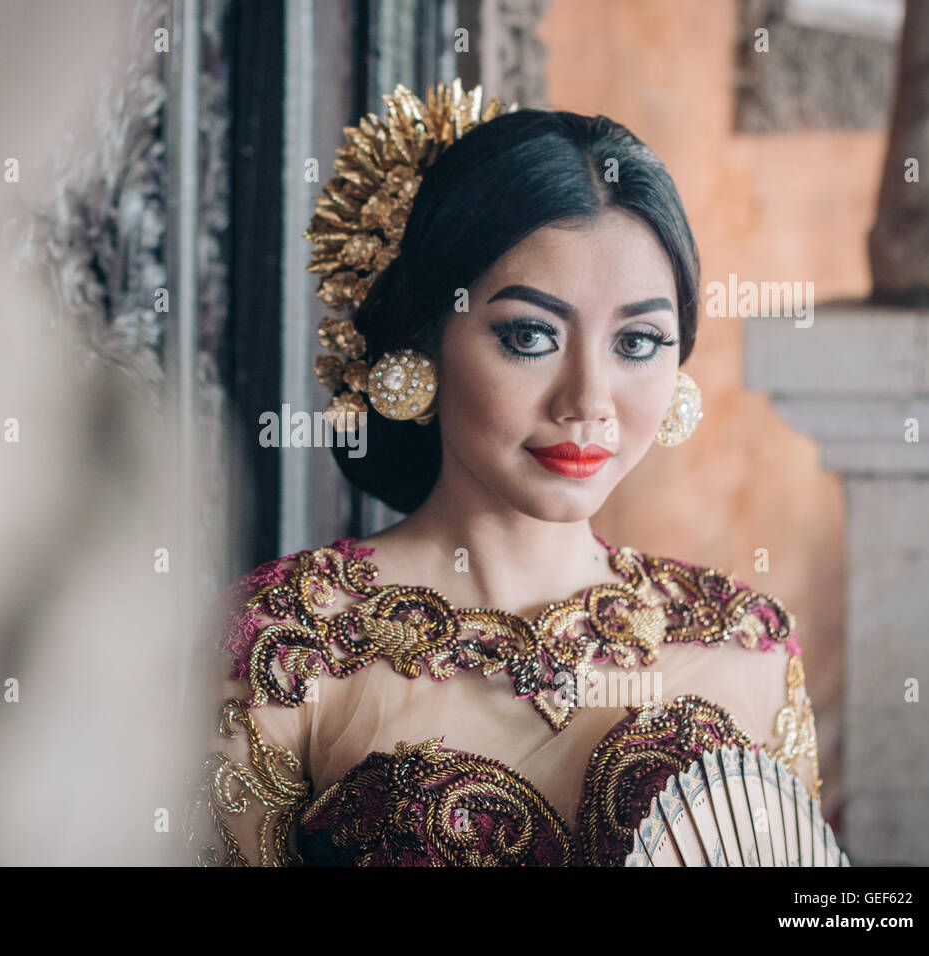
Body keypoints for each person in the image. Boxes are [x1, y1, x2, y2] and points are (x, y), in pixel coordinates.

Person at [185, 81, 822, 866]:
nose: (587, 402)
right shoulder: (286, 643)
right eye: (529, 336)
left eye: (637, 343)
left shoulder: (747, 643)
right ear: (425, 344)